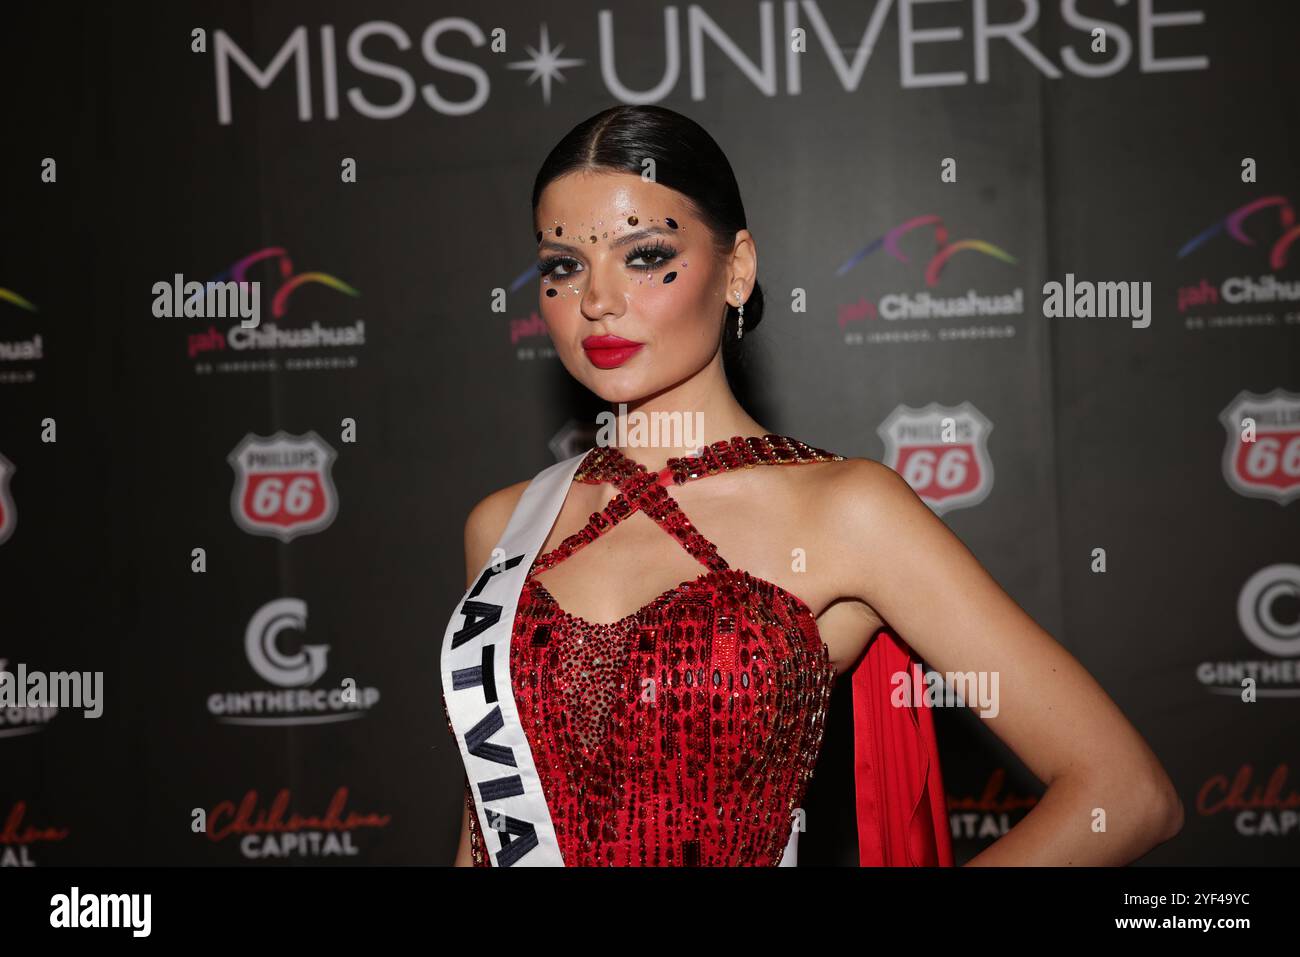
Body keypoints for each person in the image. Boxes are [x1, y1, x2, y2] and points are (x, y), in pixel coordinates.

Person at [441, 104, 1183, 867]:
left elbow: (1124, 793)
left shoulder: (845, 510)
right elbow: (486, 827)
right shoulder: (504, 525)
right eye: (564, 265)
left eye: (644, 254)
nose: (597, 299)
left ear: (737, 270)